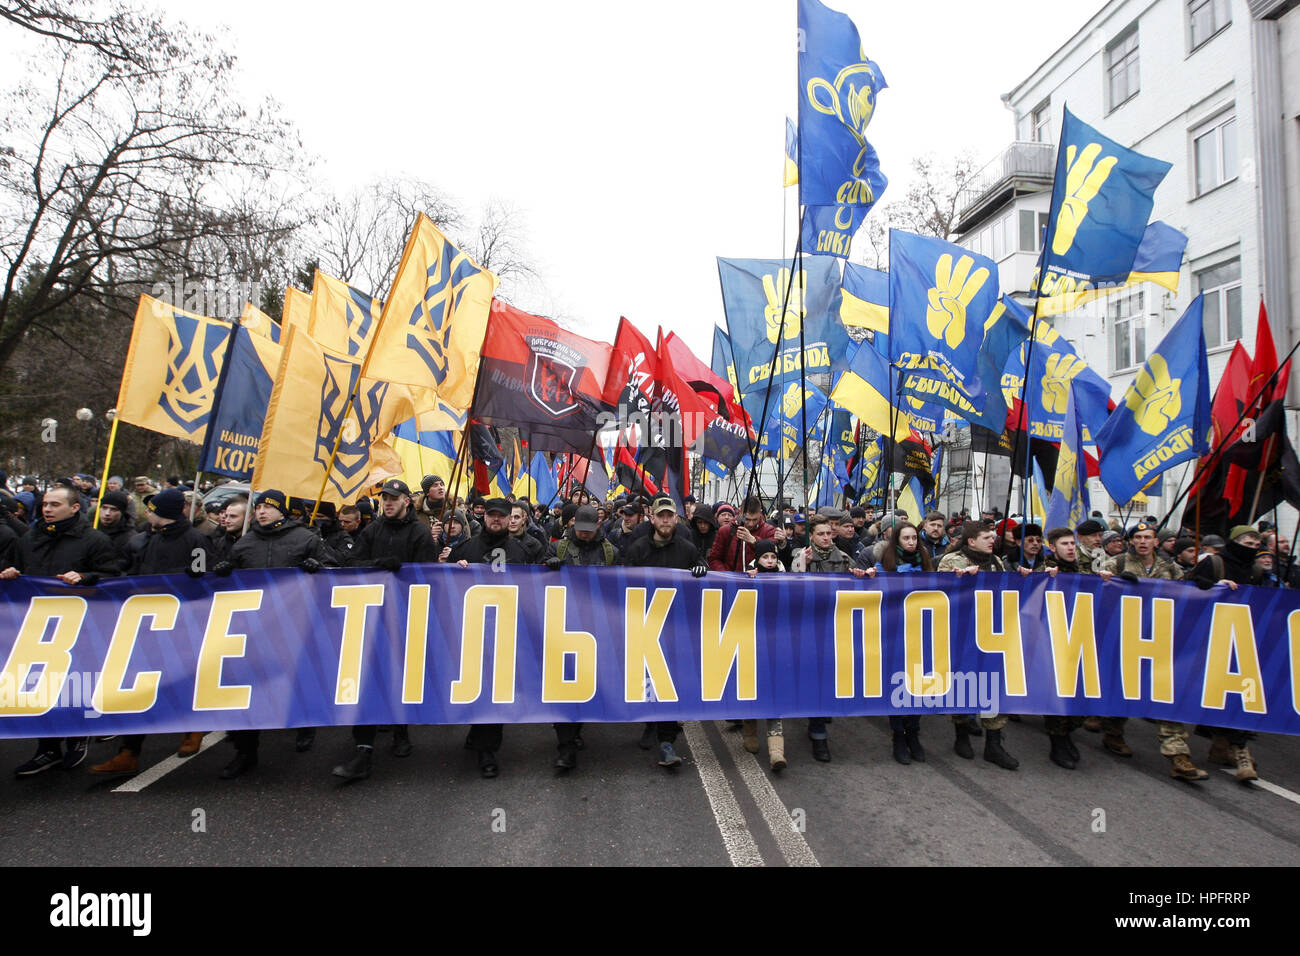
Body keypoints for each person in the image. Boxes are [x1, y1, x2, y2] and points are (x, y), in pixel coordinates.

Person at [90, 489, 217, 774]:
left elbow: (206, 582)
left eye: (151, 508)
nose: (147, 513)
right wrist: (93, 579)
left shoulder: (196, 540)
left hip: (183, 625)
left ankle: (192, 728)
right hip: (143, 623)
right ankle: (129, 751)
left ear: (164, 512)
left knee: (183, 678)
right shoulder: (140, 540)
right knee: (138, 685)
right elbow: (120, 573)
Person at [212, 489, 337, 778]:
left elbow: (333, 570)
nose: (261, 512)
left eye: (268, 507)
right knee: (247, 688)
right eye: (258, 507)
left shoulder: (305, 539)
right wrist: (221, 571)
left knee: (298, 679)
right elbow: (222, 581)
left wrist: (318, 568)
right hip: (254, 627)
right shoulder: (245, 544)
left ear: (282, 511)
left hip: (296, 624)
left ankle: (304, 723)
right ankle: (245, 751)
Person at [3, 485, 121, 775]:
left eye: (55, 504)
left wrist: (85, 577)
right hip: (36, 627)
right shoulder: (29, 538)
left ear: (75, 507)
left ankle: (78, 735)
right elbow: (14, 565)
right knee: (42, 685)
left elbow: (115, 576)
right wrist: (8, 572)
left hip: (81, 627)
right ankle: (48, 749)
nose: (47, 509)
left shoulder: (95, 540)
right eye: (45, 504)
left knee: (73, 685)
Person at [330, 479, 439, 781]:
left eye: (393, 498)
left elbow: (427, 575)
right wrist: (379, 564)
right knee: (367, 679)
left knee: (399, 678)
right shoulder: (372, 530)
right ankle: (363, 750)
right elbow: (351, 563)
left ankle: (401, 732)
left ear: (407, 501)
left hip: (404, 617)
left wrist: (403, 573)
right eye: (384, 498)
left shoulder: (418, 533)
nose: (388, 503)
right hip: (370, 616)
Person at [442, 497, 542, 778]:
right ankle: (477, 731)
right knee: (476, 686)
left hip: (505, 632)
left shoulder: (521, 552)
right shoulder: (466, 549)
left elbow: (534, 590)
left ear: (510, 518)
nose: (496, 520)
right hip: (471, 630)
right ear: (484, 517)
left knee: (495, 690)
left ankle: (488, 749)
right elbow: (441, 584)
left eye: (502, 516)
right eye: (491, 515)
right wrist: (450, 566)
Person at [621, 497, 707, 769]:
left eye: (671, 516)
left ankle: (667, 739)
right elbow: (623, 584)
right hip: (644, 626)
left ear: (676, 519)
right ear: (653, 519)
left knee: (669, 682)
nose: (667, 520)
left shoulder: (687, 549)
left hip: (675, 628)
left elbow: (703, 572)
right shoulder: (637, 549)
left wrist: (701, 569)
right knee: (648, 680)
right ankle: (651, 724)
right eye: (662, 516)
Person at [1098, 521, 1187, 774]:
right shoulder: (1117, 564)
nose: (1143, 541)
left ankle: (1177, 752)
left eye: (1148, 537)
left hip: (1160, 640)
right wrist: (1105, 581)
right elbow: (1096, 592)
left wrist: (1218, 586)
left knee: (1165, 693)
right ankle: (1113, 732)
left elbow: (1189, 595)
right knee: (1123, 689)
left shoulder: (1170, 567)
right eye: (1138, 537)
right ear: (1131, 541)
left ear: (1156, 541)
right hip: (1125, 638)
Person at [543, 504, 621, 771]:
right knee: (565, 689)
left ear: (598, 526)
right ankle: (565, 746)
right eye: (580, 530)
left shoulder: (610, 553)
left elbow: (622, 589)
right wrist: (548, 567)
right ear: (572, 525)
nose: (585, 535)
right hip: (564, 629)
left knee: (587, 687)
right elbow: (535, 585)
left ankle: (576, 731)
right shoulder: (559, 549)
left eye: (589, 530)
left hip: (597, 632)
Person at [936, 522, 1019, 770]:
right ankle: (961, 734)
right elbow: (938, 592)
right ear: (971, 541)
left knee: (994, 686)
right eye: (986, 537)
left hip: (991, 632)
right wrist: (958, 581)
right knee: (963, 683)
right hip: (961, 632)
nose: (991, 540)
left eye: (992, 537)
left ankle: (994, 744)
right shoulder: (951, 560)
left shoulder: (996, 562)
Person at [791, 514, 873, 762]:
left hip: (834, 628)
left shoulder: (844, 559)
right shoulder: (800, 556)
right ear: (811, 536)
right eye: (820, 534)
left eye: (829, 534)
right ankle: (816, 729)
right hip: (806, 628)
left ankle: (818, 727)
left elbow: (855, 589)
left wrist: (862, 575)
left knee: (827, 679)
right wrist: (801, 566)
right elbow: (788, 588)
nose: (826, 538)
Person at [1186, 525, 1264, 782]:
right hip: (1210, 638)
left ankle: (1236, 747)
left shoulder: (1256, 571)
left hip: (1243, 640)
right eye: (1246, 543)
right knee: (1217, 693)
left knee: (1241, 694)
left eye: (1255, 545)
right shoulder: (1214, 564)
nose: (1251, 548)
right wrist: (1213, 586)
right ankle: (1226, 744)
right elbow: (1185, 588)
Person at [875, 521, 932, 765]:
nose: (911, 542)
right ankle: (898, 735)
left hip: (922, 633)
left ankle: (914, 733)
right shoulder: (884, 566)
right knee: (898, 684)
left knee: (919, 684)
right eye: (906, 538)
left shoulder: (928, 566)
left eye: (914, 538)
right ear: (896, 540)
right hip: (894, 634)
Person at [708, 495, 782, 573]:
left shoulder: (769, 531)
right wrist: (727, 575)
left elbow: (774, 557)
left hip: (758, 580)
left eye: (754, 520)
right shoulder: (726, 531)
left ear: (760, 513)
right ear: (740, 512)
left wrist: (755, 542)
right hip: (732, 580)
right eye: (747, 519)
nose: (750, 524)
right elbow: (714, 559)